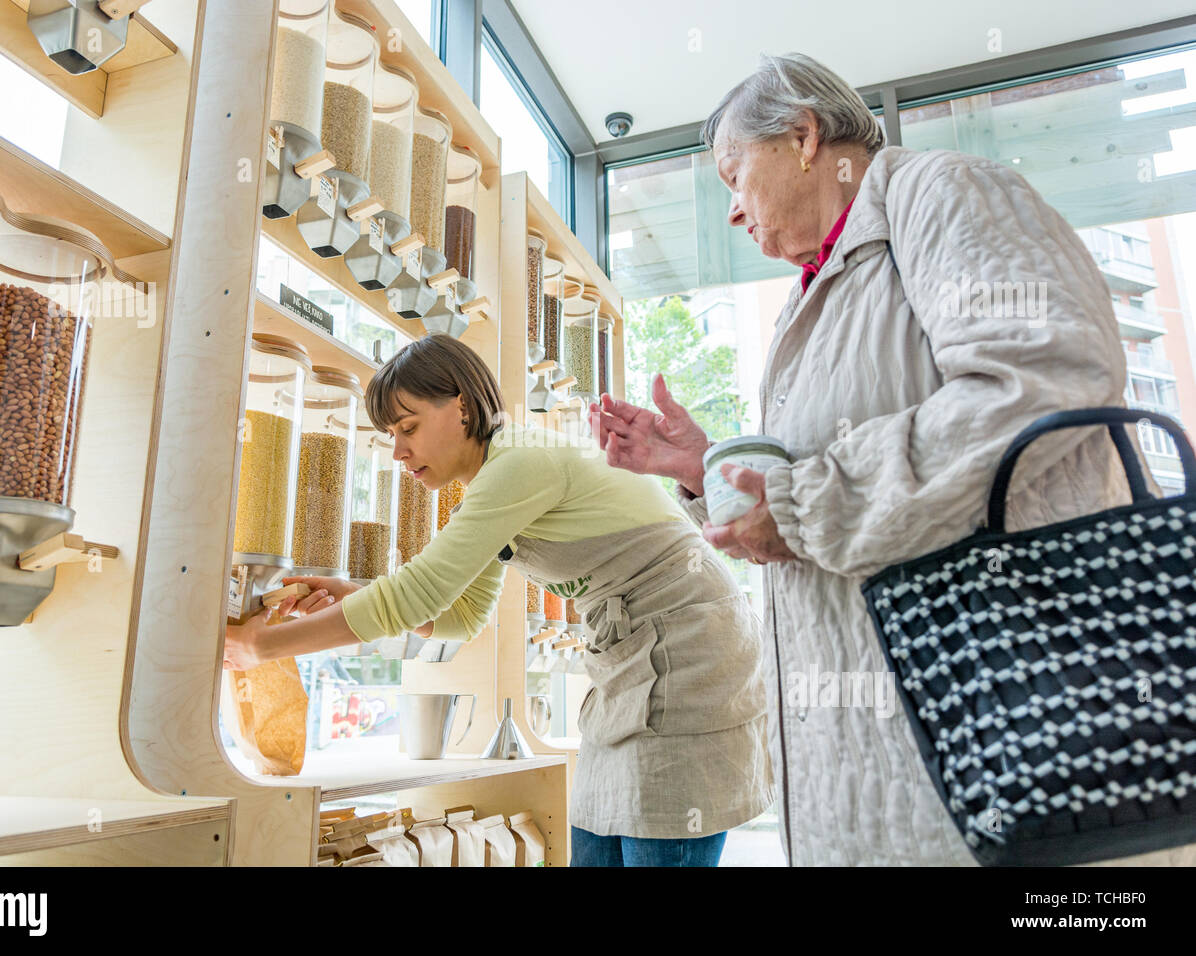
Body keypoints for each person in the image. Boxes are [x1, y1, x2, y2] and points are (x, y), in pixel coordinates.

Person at [590, 52, 1196, 866]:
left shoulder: (946, 193)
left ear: (804, 137)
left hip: (1007, 745)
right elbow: (824, 476)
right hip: (888, 776)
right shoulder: (818, 292)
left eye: (734, 176)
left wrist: (803, 507)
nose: (733, 212)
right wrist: (707, 469)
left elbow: (1041, 372)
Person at [224, 333, 772, 867]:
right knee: (596, 838)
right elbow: (461, 615)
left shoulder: (519, 463)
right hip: (631, 665)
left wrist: (259, 647)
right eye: (391, 435)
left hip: (687, 655)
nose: (397, 451)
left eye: (408, 427)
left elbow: (418, 595)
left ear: (461, 407)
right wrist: (353, 594)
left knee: (659, 829)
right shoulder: (494, 479)